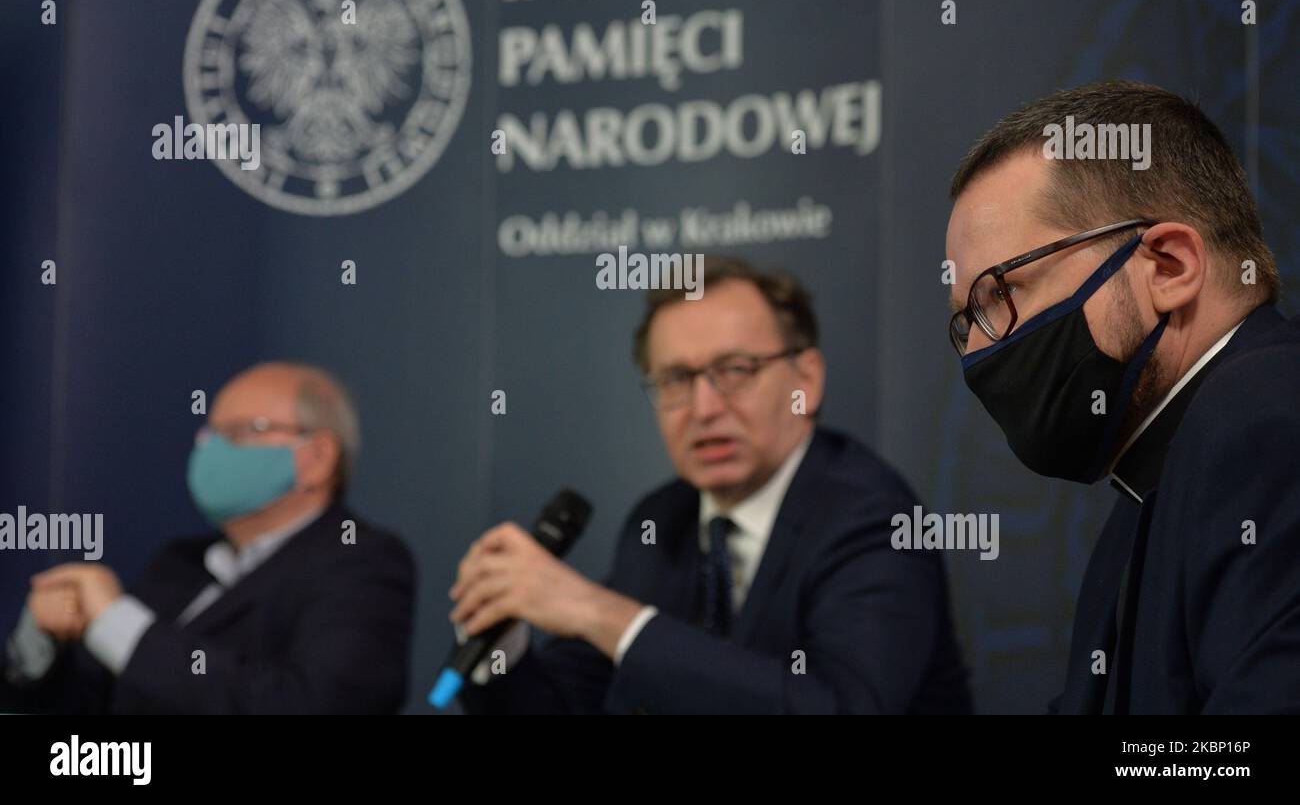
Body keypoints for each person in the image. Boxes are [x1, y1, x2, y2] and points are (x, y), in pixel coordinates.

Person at [451, 257, 971, 713]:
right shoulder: (662, 520)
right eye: (676, 380)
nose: (704, 408)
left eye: (737, 370)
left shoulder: (876, 516)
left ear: (805, 380)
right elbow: (576, 701)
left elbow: (839, 706)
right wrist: (503, 648)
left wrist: (599, 612)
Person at [946, 79, 1300, 713]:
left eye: (1002, 293)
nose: (977, 349)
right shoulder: (1148, 492)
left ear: (1169, 266)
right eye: (968, 317)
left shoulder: (1267, 427)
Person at [1, 362, 415, 714]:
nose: (213, 453)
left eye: (240, 433)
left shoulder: (362, 563)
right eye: (209, 436)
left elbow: (313, 705)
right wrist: (38, 645)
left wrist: (116, 623)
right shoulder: (178, 563)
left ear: (318, 458)